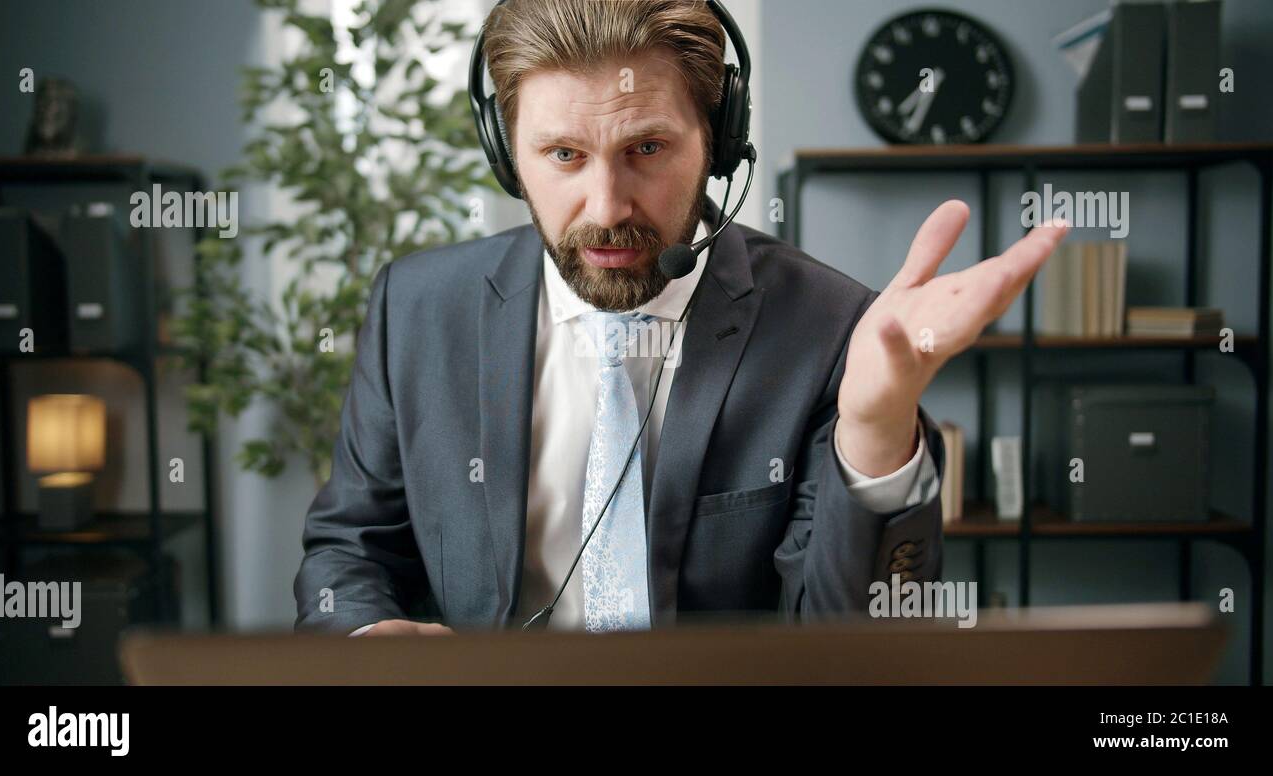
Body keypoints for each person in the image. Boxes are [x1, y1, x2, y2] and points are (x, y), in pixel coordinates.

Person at [292, 0, 1067, 636]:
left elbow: (856, 638)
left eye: (649, 148)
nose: (607, 208)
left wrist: (874, 426)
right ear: (506, 152)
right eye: (562, 154)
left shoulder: (832, 327)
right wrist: (366, 635)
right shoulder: (419, 311)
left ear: (719, 143)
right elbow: (351, 548)